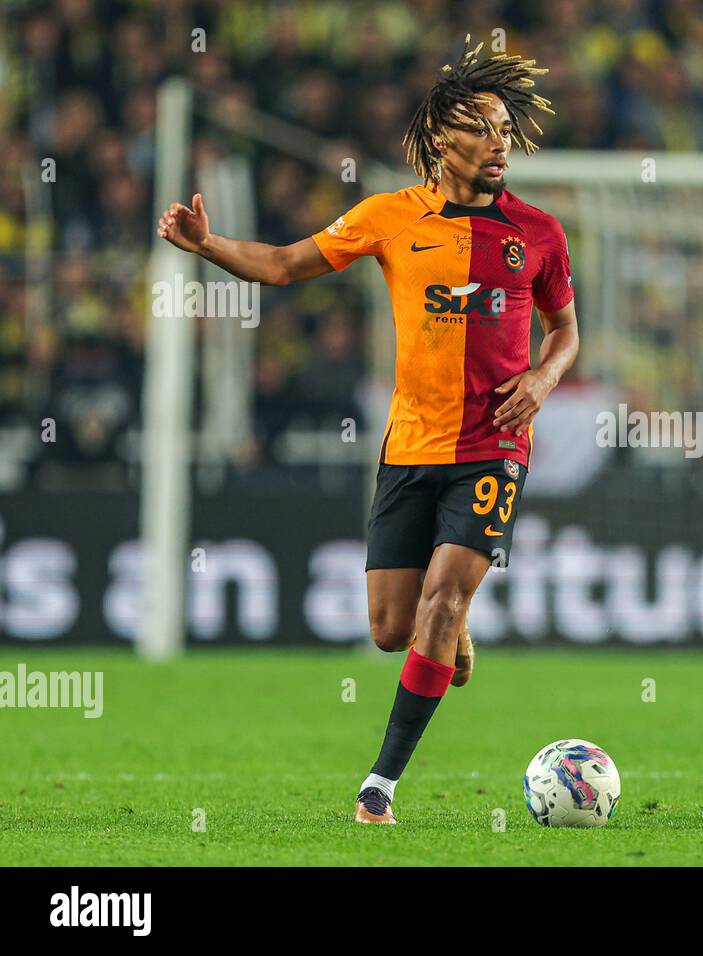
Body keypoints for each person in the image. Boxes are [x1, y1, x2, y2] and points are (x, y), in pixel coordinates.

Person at [156, 36, 579, 824]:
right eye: (483, 129)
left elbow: (565, 332)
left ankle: (379, 787)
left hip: (493, 446)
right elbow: (285, 266)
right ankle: (447, 630)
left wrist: (546, 378)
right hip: (409, 446)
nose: (501, 143)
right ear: (440, 140)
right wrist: (206, 246)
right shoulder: (390, 218)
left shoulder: (538, 234)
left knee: (444, 598)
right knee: (393, 629)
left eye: (506, 130)